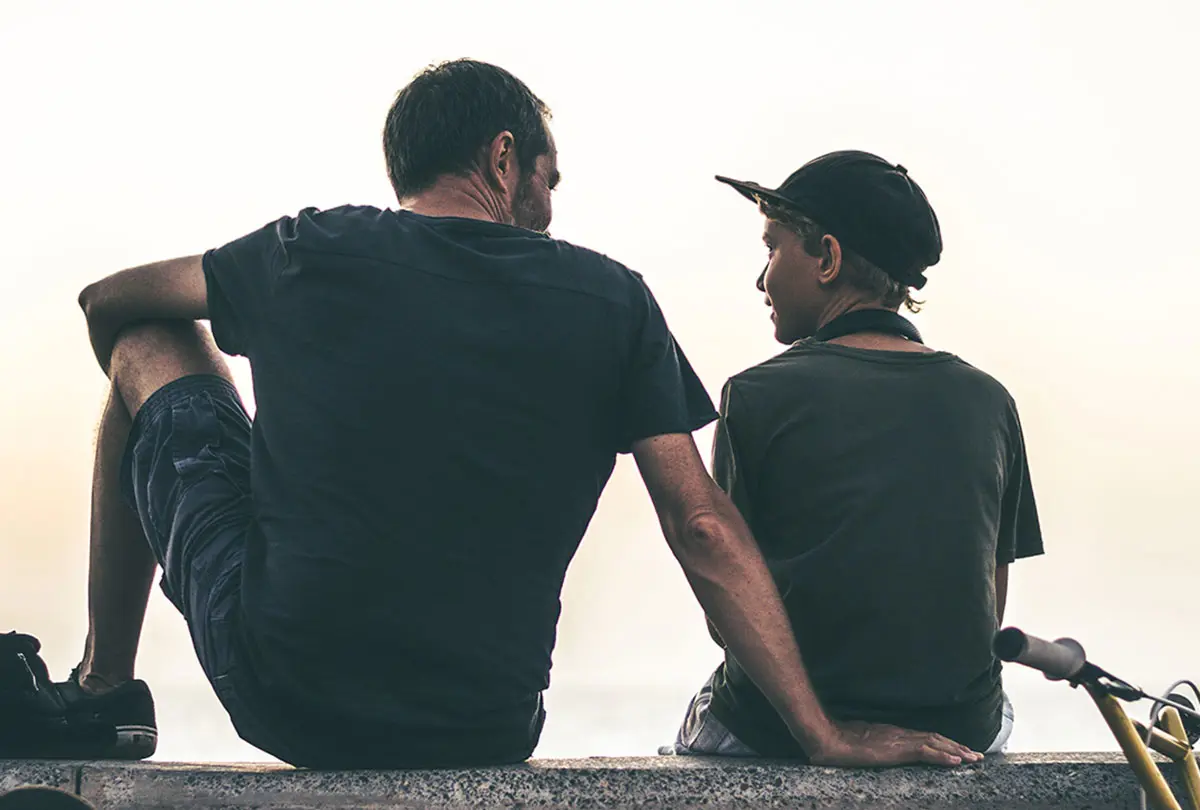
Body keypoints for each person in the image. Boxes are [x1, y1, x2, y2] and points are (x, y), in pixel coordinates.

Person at [41, 63, 979, 768]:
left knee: (148, 341)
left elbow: (106, 303)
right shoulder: (613, 301)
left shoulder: (309, 251)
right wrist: (819, 733)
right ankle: (107, 687)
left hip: (290, 699)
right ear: (503, 158)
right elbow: (699, 522)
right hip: (487, 723)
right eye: (549, 179)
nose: (549, 205)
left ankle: (106, 691)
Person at [665, 151, 1044, 759]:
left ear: (828, 259)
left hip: (780, 729)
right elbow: (983, 606)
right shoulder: (990, 401)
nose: (761, 279)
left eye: (772, 249)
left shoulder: (758, 394)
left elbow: (727, 617)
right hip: (960, 729)